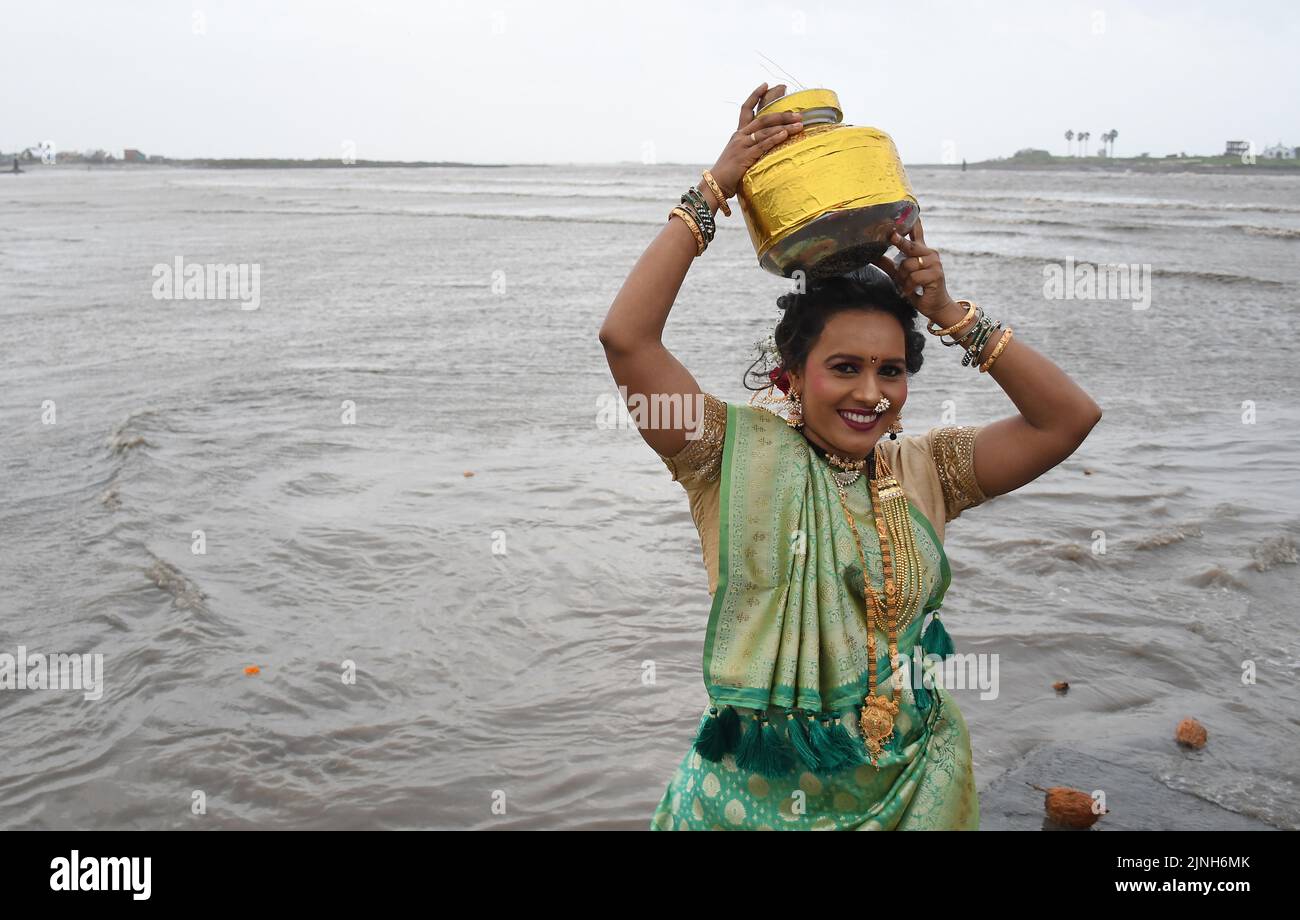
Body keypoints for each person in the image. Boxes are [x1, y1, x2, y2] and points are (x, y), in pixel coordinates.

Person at [598, 82, 1103, 830]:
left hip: (913, 786)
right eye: (844, 367)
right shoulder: (721, 456)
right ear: (791, 374)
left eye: (890, 370)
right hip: (755, 802)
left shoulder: (928, 471)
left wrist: (952, 315)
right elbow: (626, 341)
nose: (870, 392)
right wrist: (714, 190)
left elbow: (1068, 419)